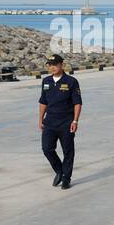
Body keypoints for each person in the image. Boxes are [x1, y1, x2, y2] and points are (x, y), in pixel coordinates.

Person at [38, 54, 82, 189]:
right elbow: (43, 102)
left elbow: (77, 103)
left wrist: (75, 121)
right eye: (50, 65)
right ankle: (59, 170)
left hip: (66, 122)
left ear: (61, 65)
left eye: (55, 64)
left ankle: (66, 178)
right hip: (50, 122)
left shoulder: (71, 81)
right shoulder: (46, 81)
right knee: (47, 149)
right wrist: (40, 119)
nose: (52, 67)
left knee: (68, 151)